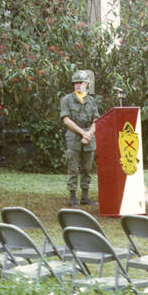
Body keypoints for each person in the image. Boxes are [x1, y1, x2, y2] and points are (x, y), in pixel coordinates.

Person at [60, 69, 100, 208]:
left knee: (87, 168)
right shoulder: (67, 100)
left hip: (89, 137)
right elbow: (66, 120)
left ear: (87, 84)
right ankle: (72, 198)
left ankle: (85, 197)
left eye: (81, 83)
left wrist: (89, 133)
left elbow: (96, 120)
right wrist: (83, 133)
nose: (78, 85)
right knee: (72, 168)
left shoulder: (91, 101)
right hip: (74, 137)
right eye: (76, 83)